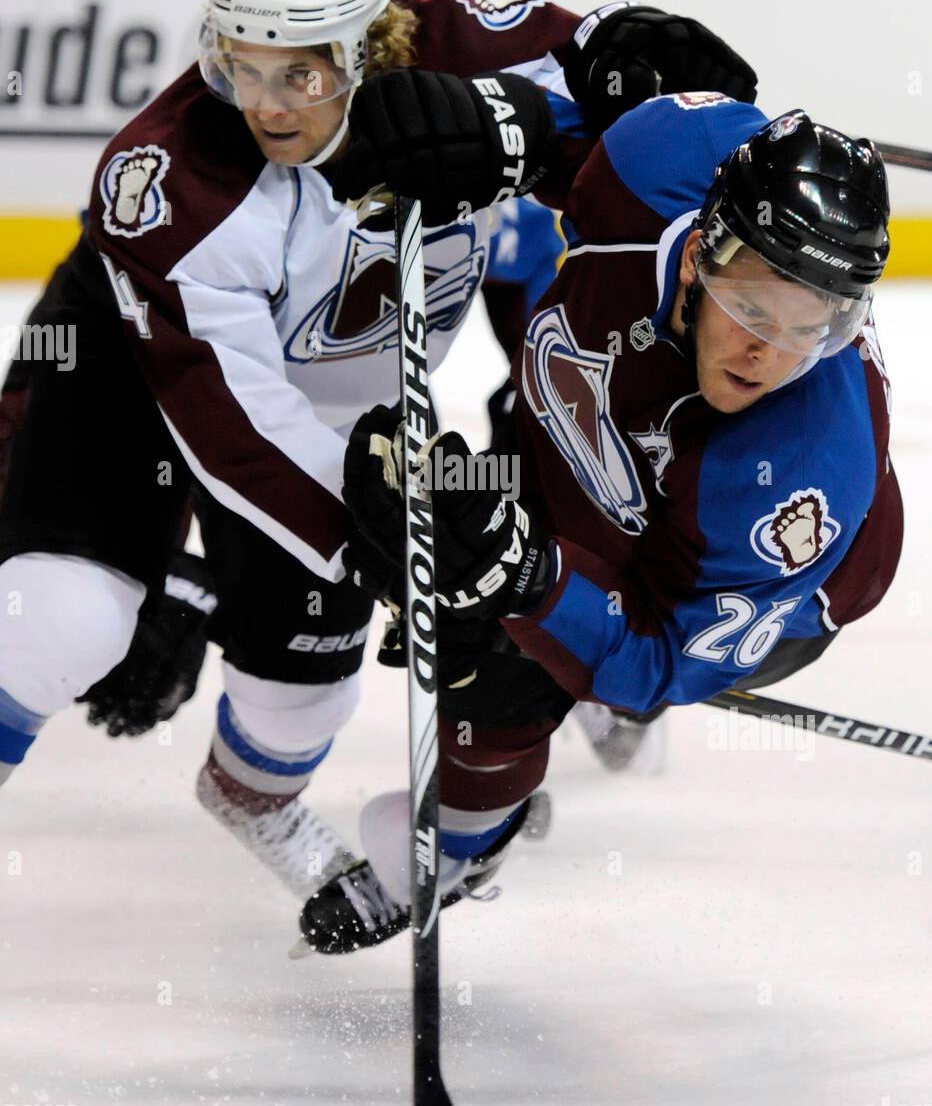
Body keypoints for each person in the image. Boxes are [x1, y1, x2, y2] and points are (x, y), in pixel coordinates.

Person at [0, 0, 758, 918]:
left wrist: (626, 68)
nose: (265, 105)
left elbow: (603, 65)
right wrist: (389, 545)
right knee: (62, 620)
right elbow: (235, 428)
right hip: (133, 374)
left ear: (365, 46)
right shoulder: (174, 183)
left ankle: (253, 802)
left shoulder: (461, 45)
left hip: (322, 413)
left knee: (304, 669)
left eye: (299, 73)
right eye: (239, 66)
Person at [312, 93, 901, 953]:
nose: (765, 354)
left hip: (721, 575)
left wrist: (523, 576)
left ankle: (463, 848)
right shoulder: (661, 160)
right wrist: (495, 127)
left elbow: (656, 655)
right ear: (701, 253)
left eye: (811, 329)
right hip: (590, 435)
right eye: (753, 307)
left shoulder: (798, 475)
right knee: (409, 527)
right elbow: (564, 125)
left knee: (496, 662)